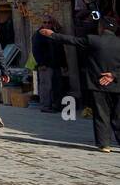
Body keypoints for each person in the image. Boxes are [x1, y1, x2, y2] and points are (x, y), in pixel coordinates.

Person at [40, 18, 120, 151]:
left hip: (98, 84)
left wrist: (52, 34)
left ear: (101, 28)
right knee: (118, 114)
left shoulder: (93, 40)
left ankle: (104, 144)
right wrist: (113, 75)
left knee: (101, 114)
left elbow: (72, 40)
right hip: (117, 84)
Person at [32, 15, 65, 113]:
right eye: (44, 22)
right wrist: (41, 63)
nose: (46, 24)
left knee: (57, 86)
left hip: (56, 64)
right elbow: (36, 51)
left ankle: (56, 105)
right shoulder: (38, 35)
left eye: (49, 22)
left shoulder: (54, 34)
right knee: (46, 86)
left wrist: (64, 63)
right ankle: (45, 106)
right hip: (45, 65)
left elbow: (60, 49)